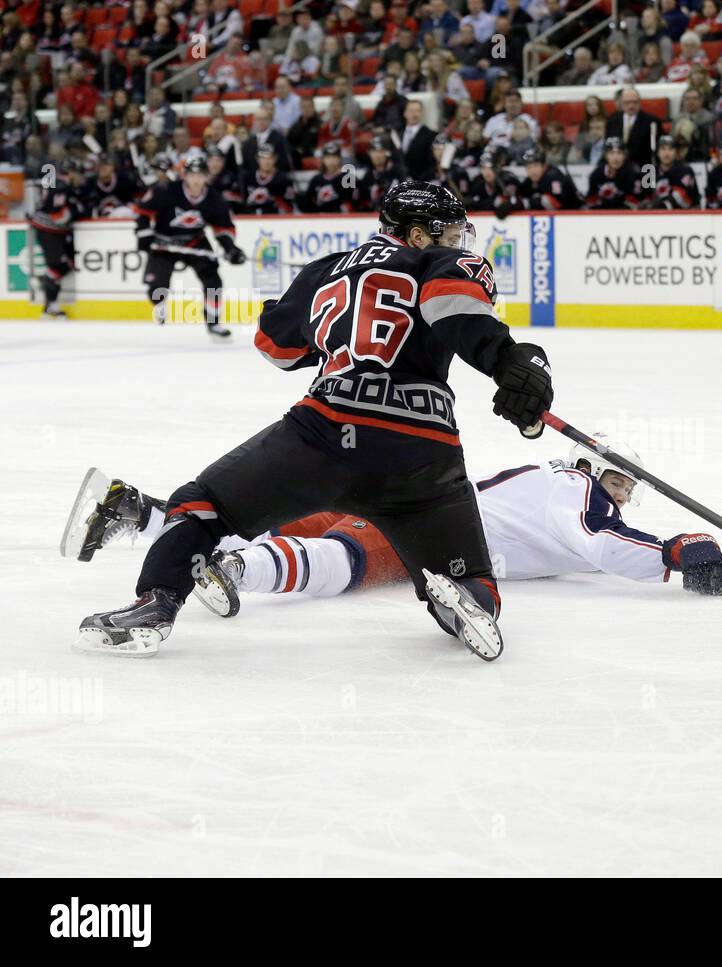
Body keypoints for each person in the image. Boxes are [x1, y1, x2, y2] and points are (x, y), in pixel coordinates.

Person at [76, 183, 556, 661]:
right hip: (422, 448)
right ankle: (466, 599)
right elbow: (457, 314)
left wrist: (306, 322)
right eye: (449, 234)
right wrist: (514, 362)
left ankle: (156, 603)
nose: (456, 243)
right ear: (415, 235)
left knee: (200, 505)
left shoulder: (324, 273)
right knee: (469, 574)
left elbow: (275, 348)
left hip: (323, 433)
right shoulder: (439, 262)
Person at [65, 437, 722, 616]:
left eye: (626, 488)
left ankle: (146, 511)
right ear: (595, 468)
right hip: (429, 525)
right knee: (349, 564)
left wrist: (666, 553)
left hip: (393, 495)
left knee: (259, 518)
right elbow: (600, 540)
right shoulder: (577, 488)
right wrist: (674, 552)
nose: (621, 495)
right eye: (619, 481)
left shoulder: (552, 485)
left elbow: (585, 551)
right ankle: (240, 570)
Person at [134, 156, 246, 340]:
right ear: (184, 176)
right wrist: (144, 235)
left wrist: (230, 248)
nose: (196, 180)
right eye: (192, 175)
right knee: (156, 286)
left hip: (194, 241)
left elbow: (223, 228)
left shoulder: (214, 199)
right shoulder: (166, 191)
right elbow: (142, 213)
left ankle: (214, 324)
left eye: (200, 175)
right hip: (164, 242)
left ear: (206, 177)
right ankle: (159, 304)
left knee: (213, 281)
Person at [30, 172, 81, 318]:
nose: (80, 177)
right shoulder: (60, 186)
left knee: (66, 264)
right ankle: (50, 305)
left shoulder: (57, 183)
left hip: (55, 231)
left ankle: (46, 280)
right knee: (57, 264)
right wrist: (77, 211)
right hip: (49, 230)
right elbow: (58, 216)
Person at [514, 147, 583, 210]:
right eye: (528, 167)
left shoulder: (553, 177)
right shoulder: (530, 180)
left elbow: (555, 203)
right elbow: (520, 194)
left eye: (536, 166)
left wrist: (525, 203)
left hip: (579, 216)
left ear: (544, 166)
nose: (532, 171)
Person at [643, 135, 700, 209]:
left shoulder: (685, 171)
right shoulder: (649, 172)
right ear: (657, 152)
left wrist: (663, 205)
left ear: (676, 152)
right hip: (657, 216)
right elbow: (644, 198)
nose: (667, 153)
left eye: (671, 149)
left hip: (684, 216)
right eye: (663, 149)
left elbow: (685, 200)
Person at [236, 143, 295, 215]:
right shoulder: (247, 177)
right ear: (257, 159)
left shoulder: (284, 179)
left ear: (275, 158)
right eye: (263, 158)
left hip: (275, 219)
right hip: (251, 219)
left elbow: (289, 206)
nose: (266, 161)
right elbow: (241, 203)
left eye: (270, 158)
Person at [585, 136, 642, 209]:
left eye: (619, 153)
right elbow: (591, 202)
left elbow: (634, 205)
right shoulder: (596, 174)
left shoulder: (632, 174)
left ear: (624, 155)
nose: (616, 157)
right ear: (605, 155)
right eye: (611, 153)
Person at [299, 142, 357, 213]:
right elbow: (309, 203)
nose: (331, 160)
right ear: (323, 159)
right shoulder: (316, 179)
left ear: (339, 158)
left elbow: (352, 203)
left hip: (342, 219)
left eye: (334, 156)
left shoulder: (348, 179)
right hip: (321, 220)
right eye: (328, 157)